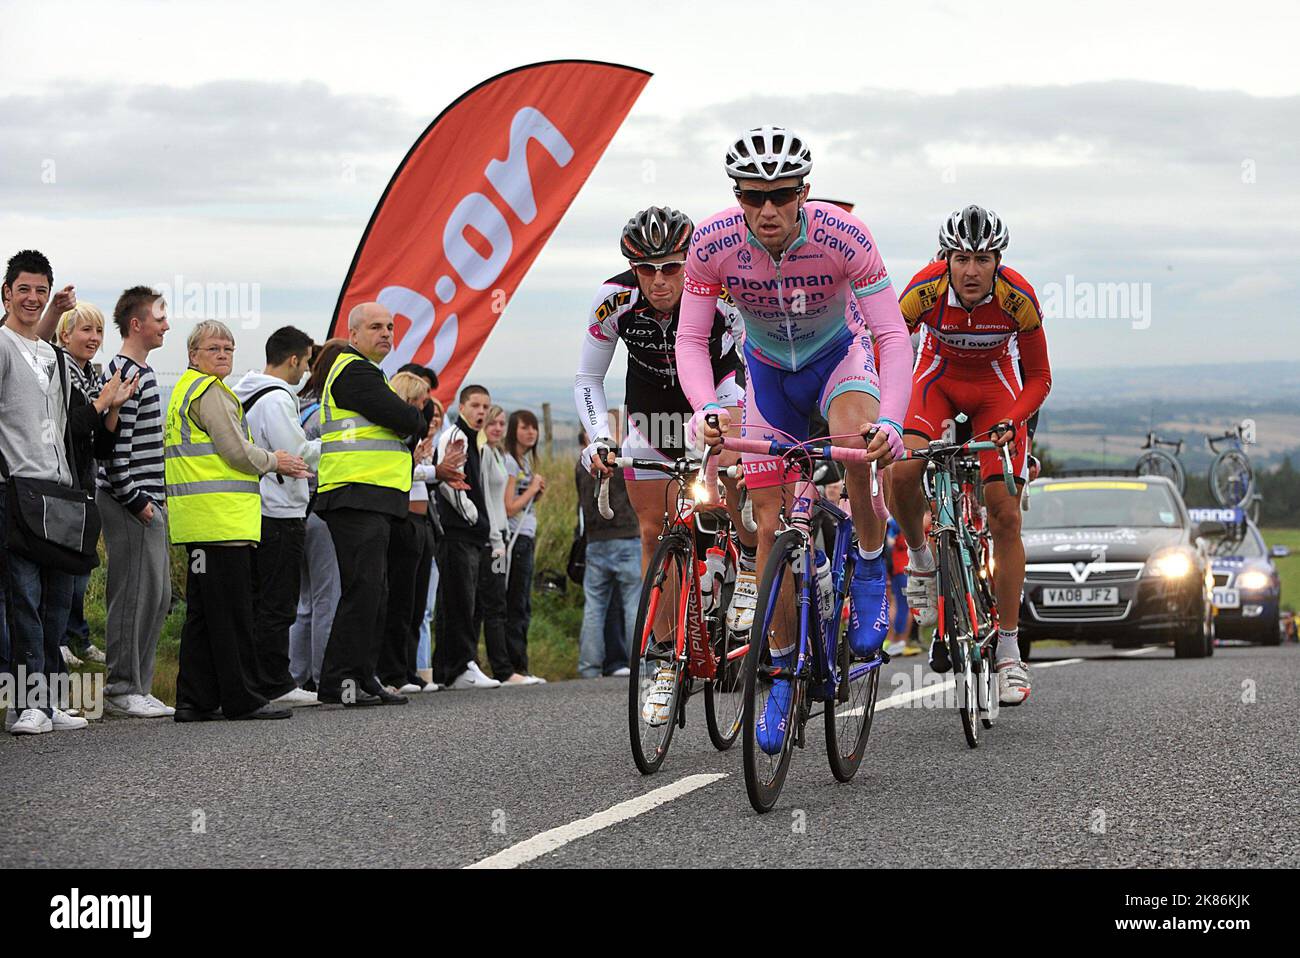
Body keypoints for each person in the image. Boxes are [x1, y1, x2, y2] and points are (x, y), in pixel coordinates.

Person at [682, 127, 914, 755]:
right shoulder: (713, 242)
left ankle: (869, 558)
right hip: (766, 375)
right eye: (753, 197)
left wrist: (892, 422)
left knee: (855, 439)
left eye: (781, 196)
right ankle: (782, 672)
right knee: (764, 524)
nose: (767, 211)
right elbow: (690, 339)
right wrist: (706, 406)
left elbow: (892, 335)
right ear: (737, 195)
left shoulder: (844, 235)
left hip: (837, 358)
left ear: (804, 192)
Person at [888, 206, 1050, 706]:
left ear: (997, 260)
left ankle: (1007, 649)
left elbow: (1040, 376)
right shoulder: (923, 290)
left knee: (1004, 515)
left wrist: (1013, 421)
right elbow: (891, 349)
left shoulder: (1017, 297)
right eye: (962, 259)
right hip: (935, 380)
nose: (972, 270)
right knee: (901, 468)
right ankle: (920, 558)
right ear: (947, 260)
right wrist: (888, 413)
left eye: (983, 259)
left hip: (996, 391)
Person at [574, 206, 757, 630]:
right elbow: (588, 377)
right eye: (646, 268)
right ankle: (663, 655)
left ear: (688, 261)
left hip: (718, 395)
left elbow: (756, 365)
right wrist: (601, 436)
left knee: (737, 488)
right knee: (654, 533)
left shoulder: (721, 296)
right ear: (632, 268)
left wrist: (753, 430)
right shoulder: (614, 301)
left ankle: (748, 561)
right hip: (650, 414)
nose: (659, 280)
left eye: (671, 267)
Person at [166, 321, 307, 721]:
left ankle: (194, 699)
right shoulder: (209, 391)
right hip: (222, 523)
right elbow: (235, 451)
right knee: (233, 615)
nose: (223, 353)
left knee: (203, 617)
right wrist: (274, 460)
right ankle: (243, 697)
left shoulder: (184, 390)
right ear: (193, 355)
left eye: (229, 347)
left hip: (199, 523)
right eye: (213, 348)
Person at [314, 304, 431, 706]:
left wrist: (409, 418)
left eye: (391, 327)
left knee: (373, 590)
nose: (386, 333)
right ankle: (341, 681)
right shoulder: (355, 369)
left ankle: (363, 678)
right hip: (355, 493)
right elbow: (404, 417)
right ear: (354, 333)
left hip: (371, 496)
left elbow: (403, 419)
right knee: (364, 590)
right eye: (376, 327)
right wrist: (412, 417)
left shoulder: (367, 371)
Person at [0, 251, 90, 733]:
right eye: (23, 289)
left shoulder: (53, 355)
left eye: (40, 290)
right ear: (7, 293)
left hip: (59, 492)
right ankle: (24, 704)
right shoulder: (2, 345)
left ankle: (51, 701)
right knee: (24, 601)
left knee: (58, 601)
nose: (31, 298)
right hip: (16, 490)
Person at [48, 303, 137, 692]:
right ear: (64, 335)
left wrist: (113, 409)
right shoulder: (60, 370)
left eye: (99, 332)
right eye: (86, 330)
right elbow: (70, 426)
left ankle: (73, 638)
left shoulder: (91, 374)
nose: (94, 339)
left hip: (85, 486)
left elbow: (100, 445)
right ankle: (60, 645)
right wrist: (102, 403)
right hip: (59, 487)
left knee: (79, 573)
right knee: (60, 577)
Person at [232, 325, 321, 707]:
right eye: (304, 363)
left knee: (260, 599)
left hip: (256, 507)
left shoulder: (244, 392)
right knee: (278, 602)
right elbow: (294, 452)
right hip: (281, 509)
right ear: (293, 359)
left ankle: (257, 678)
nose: (305, 373)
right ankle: (275, 681)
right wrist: (333, 444)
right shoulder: (279, 399)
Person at [96, 285, 175, 718]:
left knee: (157, 595)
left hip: (147, 500)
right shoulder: (125, 374)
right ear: (136, 324)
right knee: (133, 594)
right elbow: (112, 452)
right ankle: (122, 687)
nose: (166, 325)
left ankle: (139, 686)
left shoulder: (141, 373)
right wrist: (135, 500)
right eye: (160, 318)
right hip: (130, 502)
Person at [376, 371, 445, 694]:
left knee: (415, 603)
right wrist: (426, 467)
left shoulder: (413, 433)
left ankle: (407, 667)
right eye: (416, 402)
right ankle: (392, 669)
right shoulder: (394, 433)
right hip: (400, 517)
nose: (422, 409)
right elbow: (400, 470)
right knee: (399, 601)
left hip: (420, 520)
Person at [287, 337, 347, 691]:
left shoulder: (301, 404)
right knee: (327, 598)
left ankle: (298, 676)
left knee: (305, 601)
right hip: (325, 508)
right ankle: (326, 677)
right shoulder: (331, 410)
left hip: (299, 509)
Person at [433, 384, 501, 690]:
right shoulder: (456, 436)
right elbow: (450, 484)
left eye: (486, 407)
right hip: (458, 532)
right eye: (475, 406)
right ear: (462, 407)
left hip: (471, 534)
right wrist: (475, 519)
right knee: (459, 600)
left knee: (465, 599)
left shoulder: (478, 440)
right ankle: (459, 666)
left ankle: (451, 667)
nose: (481, 413)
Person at [574, 448, 641, 679]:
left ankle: (589, 668)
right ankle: (641, 665)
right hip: (628, 537)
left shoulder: (583, 464)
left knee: (594, 607)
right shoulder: (625, 460)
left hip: (595, 540)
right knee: (633, 604)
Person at [503, 410, 546, 683]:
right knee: (516, 603)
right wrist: (531, 490)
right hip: (515, 539)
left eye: (534, 428)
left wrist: (534, 494)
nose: (531, 433)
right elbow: (509, 507)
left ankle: (521, 664)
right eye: (524, 427)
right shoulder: (509, 462)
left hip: (526, 535)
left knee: (523, 604)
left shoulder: (524, 462)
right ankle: (516, 666)